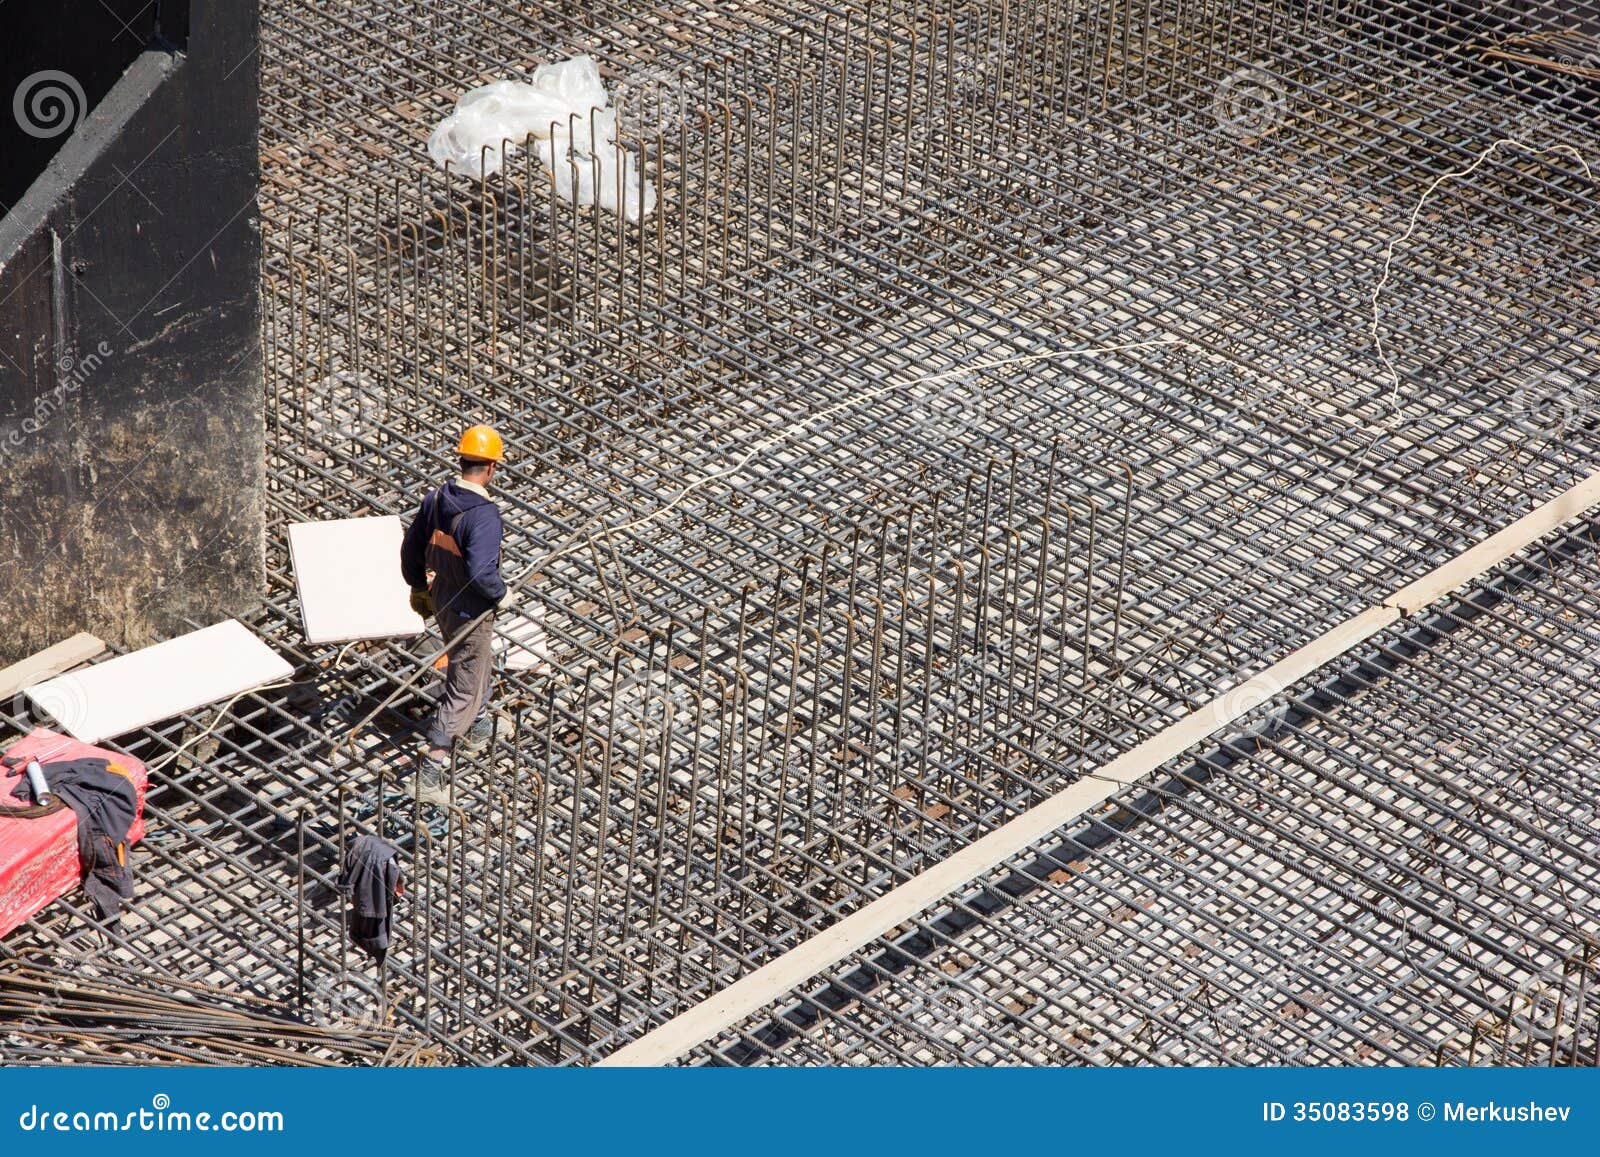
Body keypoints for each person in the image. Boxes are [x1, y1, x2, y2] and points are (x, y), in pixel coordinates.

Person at [400, 425, 514, 804]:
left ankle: (478, 726)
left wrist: (418, 586)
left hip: (443, 597)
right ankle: (430, 772)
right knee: (464, 685)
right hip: (471, 610)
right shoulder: (484, 516)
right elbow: (482, 572)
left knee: (476, 664)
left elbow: (411, 548)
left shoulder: (436, 498)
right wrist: (501, 594)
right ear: (491, 468)